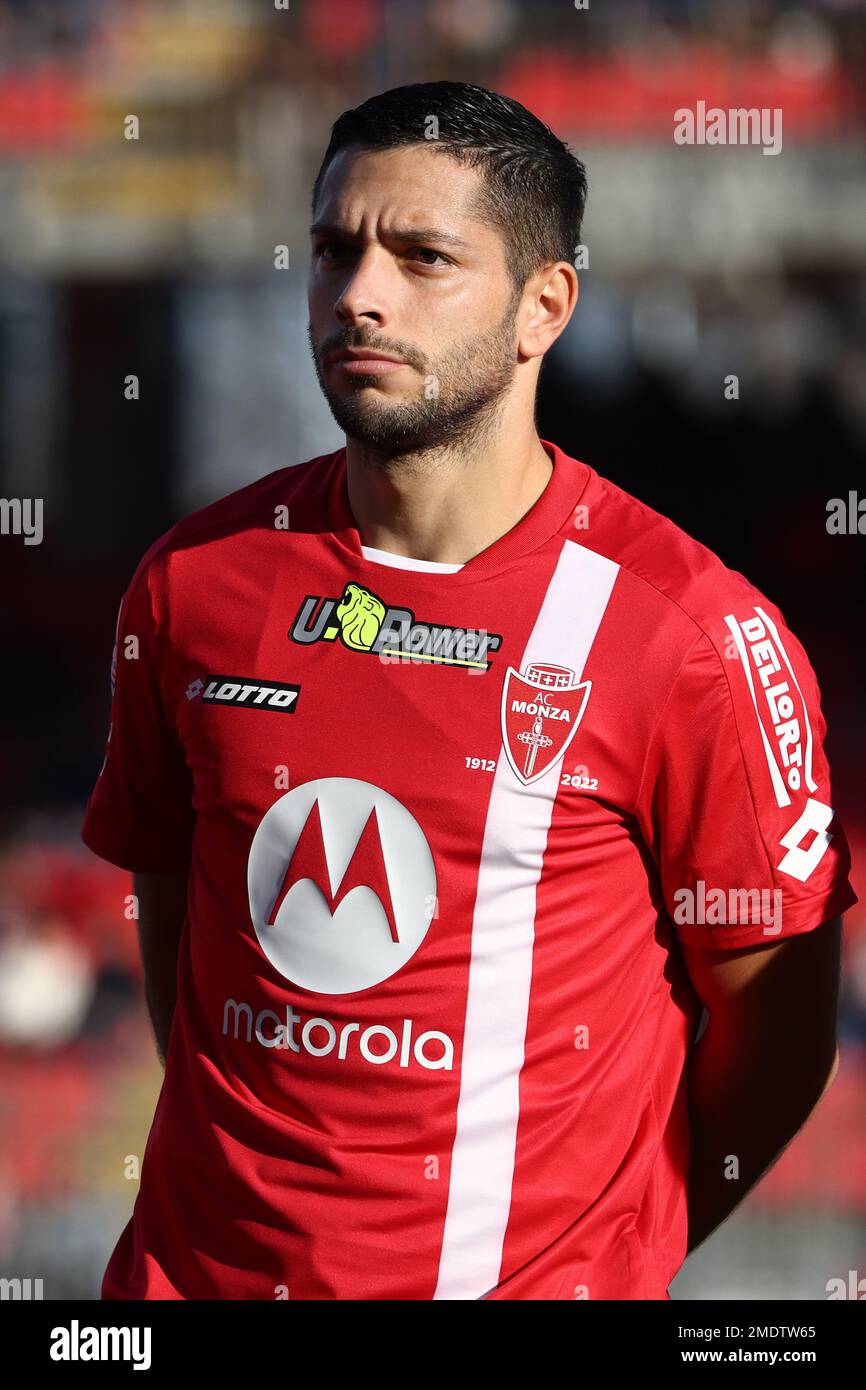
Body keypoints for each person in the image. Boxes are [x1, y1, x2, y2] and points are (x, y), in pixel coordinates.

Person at [82, 81, 857, 1300]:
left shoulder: (691, 635)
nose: (359, 296)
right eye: (334, 249)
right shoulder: (194, 583)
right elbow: (181, 949)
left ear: (543, 306)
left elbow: (772, 1042)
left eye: (422, 256)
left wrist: (599, 1259)